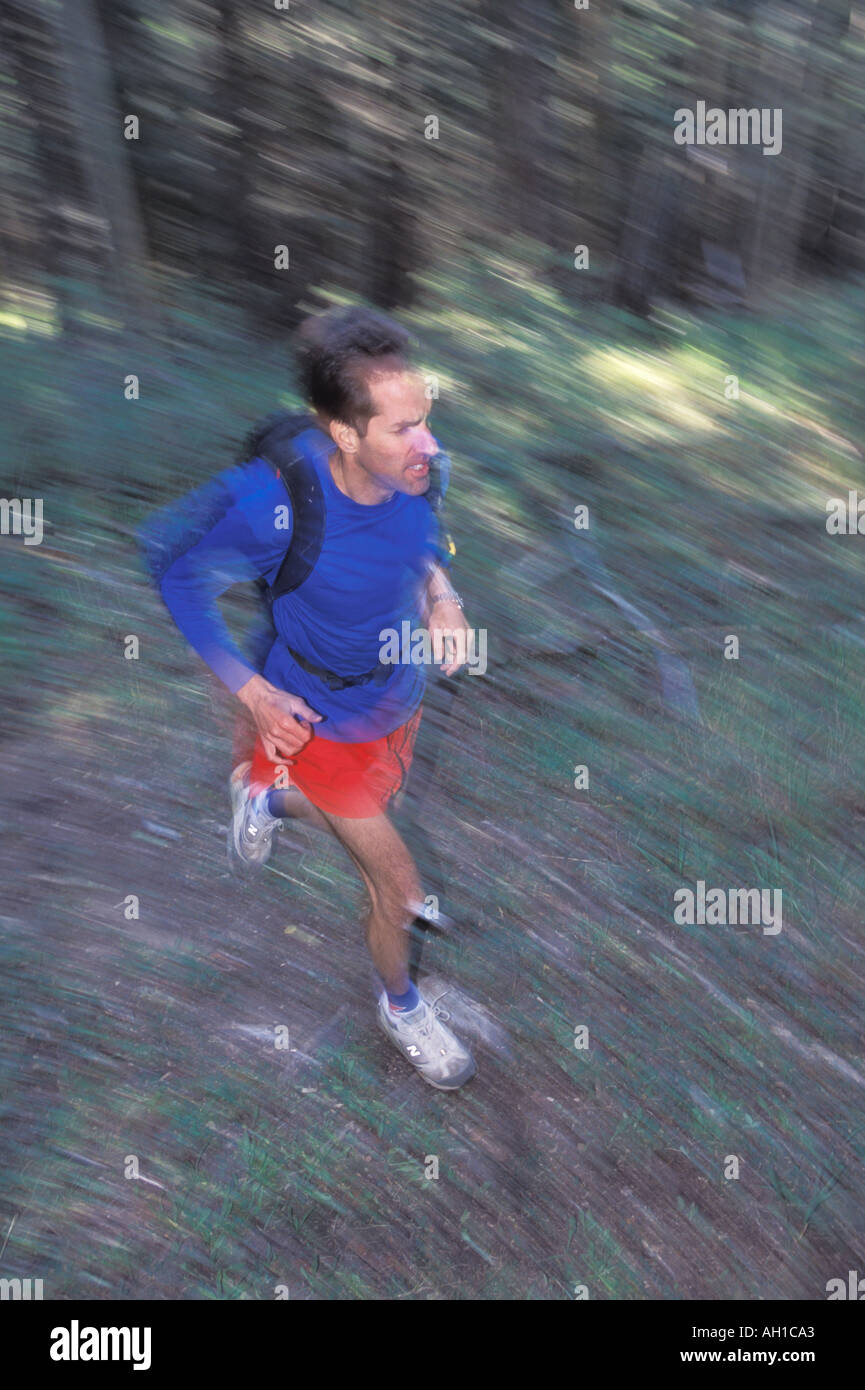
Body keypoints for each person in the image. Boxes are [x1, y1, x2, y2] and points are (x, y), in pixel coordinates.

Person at [155, 306, 476, 1090]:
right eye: (402, 429)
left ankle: (260, 800)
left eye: (424, 421)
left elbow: (421, 541)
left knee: (351, 815)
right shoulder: (272, 507)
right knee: (399, 886)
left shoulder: (416, 471)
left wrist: (443, 597)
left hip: (395, 702)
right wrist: (252, 690)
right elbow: (174, 571)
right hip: (316, 720)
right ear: (343, 434)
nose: (426, 445)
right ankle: (401, 1007)